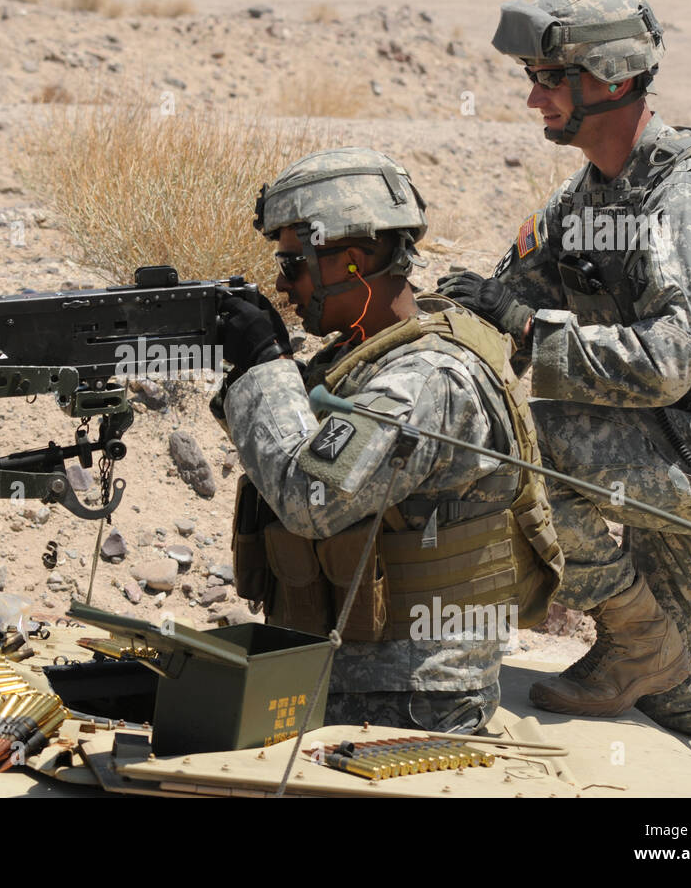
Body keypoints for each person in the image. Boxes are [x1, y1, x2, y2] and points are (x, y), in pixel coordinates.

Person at [439, 0, 691, 741]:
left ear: (612, 79)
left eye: (552, 78)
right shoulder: (585, 201)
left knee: (532, 438)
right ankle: (649, 653)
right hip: (669, 443)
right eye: (533, 77)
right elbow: (497, 304)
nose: (534, 98)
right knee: (682, 691)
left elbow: (667, 360)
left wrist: (529, 329)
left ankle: (635, 635)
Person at [213, 146, 563, 734]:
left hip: (411, 695)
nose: (281, 283)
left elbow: (308, 499)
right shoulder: (375, 352)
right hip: (362, 672)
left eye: (294, 264)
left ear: (352, 262)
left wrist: (264, 367)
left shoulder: (420, 381)